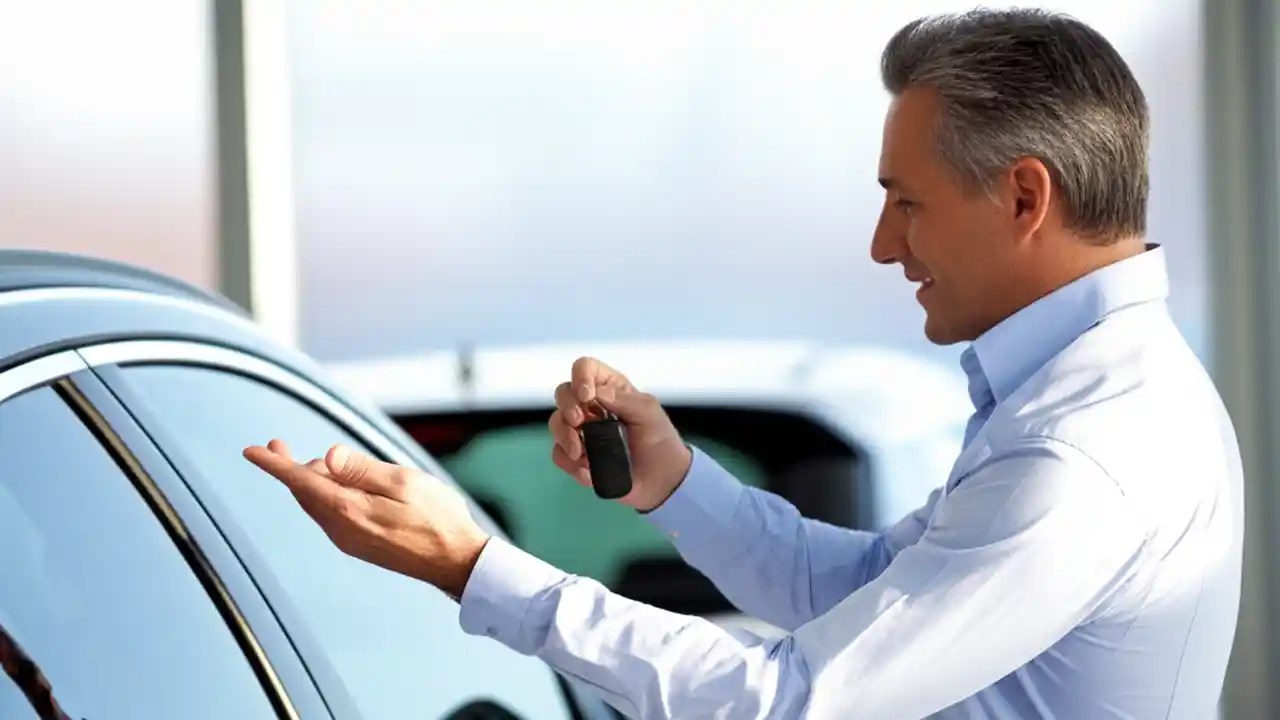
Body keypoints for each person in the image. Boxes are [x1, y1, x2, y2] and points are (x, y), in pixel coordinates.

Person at [244, 8, 1243, 719]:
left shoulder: (1078, 455)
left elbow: (789, 700)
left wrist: (468, 564)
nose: (881, 245)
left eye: (907, 202)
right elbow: (863, 592)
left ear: (1024, 198)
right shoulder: (1096, 399)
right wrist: (673, 481)